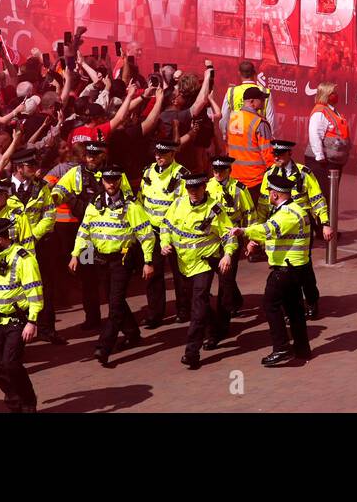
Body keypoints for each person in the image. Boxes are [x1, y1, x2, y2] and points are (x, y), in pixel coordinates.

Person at [69, 165, 155, 368]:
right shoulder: (95, 205)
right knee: (113, 299)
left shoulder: (131, 207)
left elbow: (146, 236)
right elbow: (84, 231)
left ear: (119, 181)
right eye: (108, 180)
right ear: (102, 182)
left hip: (122, 261)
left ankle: (104, 347)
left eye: (115, 180)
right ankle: (133, 334)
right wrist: (75, 255)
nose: (111, 184)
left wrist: (148, 261)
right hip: (101, 260)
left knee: (114, 307)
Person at [157, 173, 237, 368]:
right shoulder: (177, 204)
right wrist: (164, 243)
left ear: (204, 188)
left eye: (197, 189)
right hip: (182, 263)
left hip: (204, 263)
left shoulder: (214, 210)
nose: (193, 193)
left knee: (198, 305)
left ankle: (192, 351)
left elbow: (229, 234)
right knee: (197, 301)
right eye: (190, 189)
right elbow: (165, 226)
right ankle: (214, 330)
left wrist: (227, 254)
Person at [232, 172, 312, 367]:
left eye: (269, 191)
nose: (268, 194)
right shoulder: (293, 210)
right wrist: (256, 242)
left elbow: (269, 230)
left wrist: (244, 231)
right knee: (294, 308)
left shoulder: (287, 214)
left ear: (275, 194)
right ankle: (302, 349)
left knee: (270, 305)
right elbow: (274, 232)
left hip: (286, 269)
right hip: (295, 267)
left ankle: (282, 348)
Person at [53, 141, 133, 329]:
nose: (91, 159)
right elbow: (58, 190)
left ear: (102, 156)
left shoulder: (115, 174)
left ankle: (120, 321)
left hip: (110, 235)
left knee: (110, 283)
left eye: (95, 156)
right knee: (88, 278)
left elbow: (129, 198)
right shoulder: (76, 173)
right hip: (87, 237)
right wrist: (64, 199)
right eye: (88, 155)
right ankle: (93, 319)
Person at [0, 216, 42, 412]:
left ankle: (27, 401)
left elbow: (34, 291)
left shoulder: (23, 258)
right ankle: (14, 400)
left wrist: (32, 321)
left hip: (16, 321)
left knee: (11, 364)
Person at [260, 140, 331, 318]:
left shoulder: (304, 173)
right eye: (274, 154)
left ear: (290, 154)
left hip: (301, 229)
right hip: (280, 227)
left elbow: (317, 198)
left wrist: (325, 223)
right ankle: (291, 307)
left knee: (304, 267)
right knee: (282, 267)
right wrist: (258, 229)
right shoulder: (269, 174)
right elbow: (263, 203)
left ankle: (312, 300)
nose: (276, 157)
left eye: (281, 154)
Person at [8, 150, 66, 344]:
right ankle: (19, 330)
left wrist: (33, 236)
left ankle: (47, 329)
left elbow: (49, 215)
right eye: (29, 167)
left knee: (45, 288)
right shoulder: (4, 189)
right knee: (16, 289)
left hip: (40, 245)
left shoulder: (41, 187)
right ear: (18, 168)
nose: (34, 169)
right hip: (14, 248)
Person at [139, 138, 189, 329]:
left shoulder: (182, 174)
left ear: (172, 154)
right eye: (156, 153)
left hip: (174, 232)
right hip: (152, 231)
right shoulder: (148, 171)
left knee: (180, 272)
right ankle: (154, 314)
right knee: (153, 273)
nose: (158, 157)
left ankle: (184, 309)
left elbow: (185, 205)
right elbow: (141, 199)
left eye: (163, 153)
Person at [207, 155, 254, 321]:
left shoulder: (240, 189)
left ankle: (226, 310)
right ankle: (235, 299)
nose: (218, 174)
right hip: (213, 236)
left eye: (221, 170)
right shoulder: (207, 187)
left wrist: (250, 240)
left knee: (226, 274)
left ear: (229, 170)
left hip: (232, 234)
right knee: (222, 274)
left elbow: (250, 215)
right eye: (215, 170)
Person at [225, 85, 274, 198]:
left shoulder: (232, 118)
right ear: (252, 101)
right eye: (261, 99)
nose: (264, 101)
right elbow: (268, 154)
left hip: (234, 177)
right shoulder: (259, 123)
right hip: (255, 180)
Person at [219, 59, 272, 136]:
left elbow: (224, 118)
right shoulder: (265, 91)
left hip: (236, 136)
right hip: (257, 135)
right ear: (254, 73)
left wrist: (226, 135)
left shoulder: (231, 92)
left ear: (239, 73)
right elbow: (271, 121)